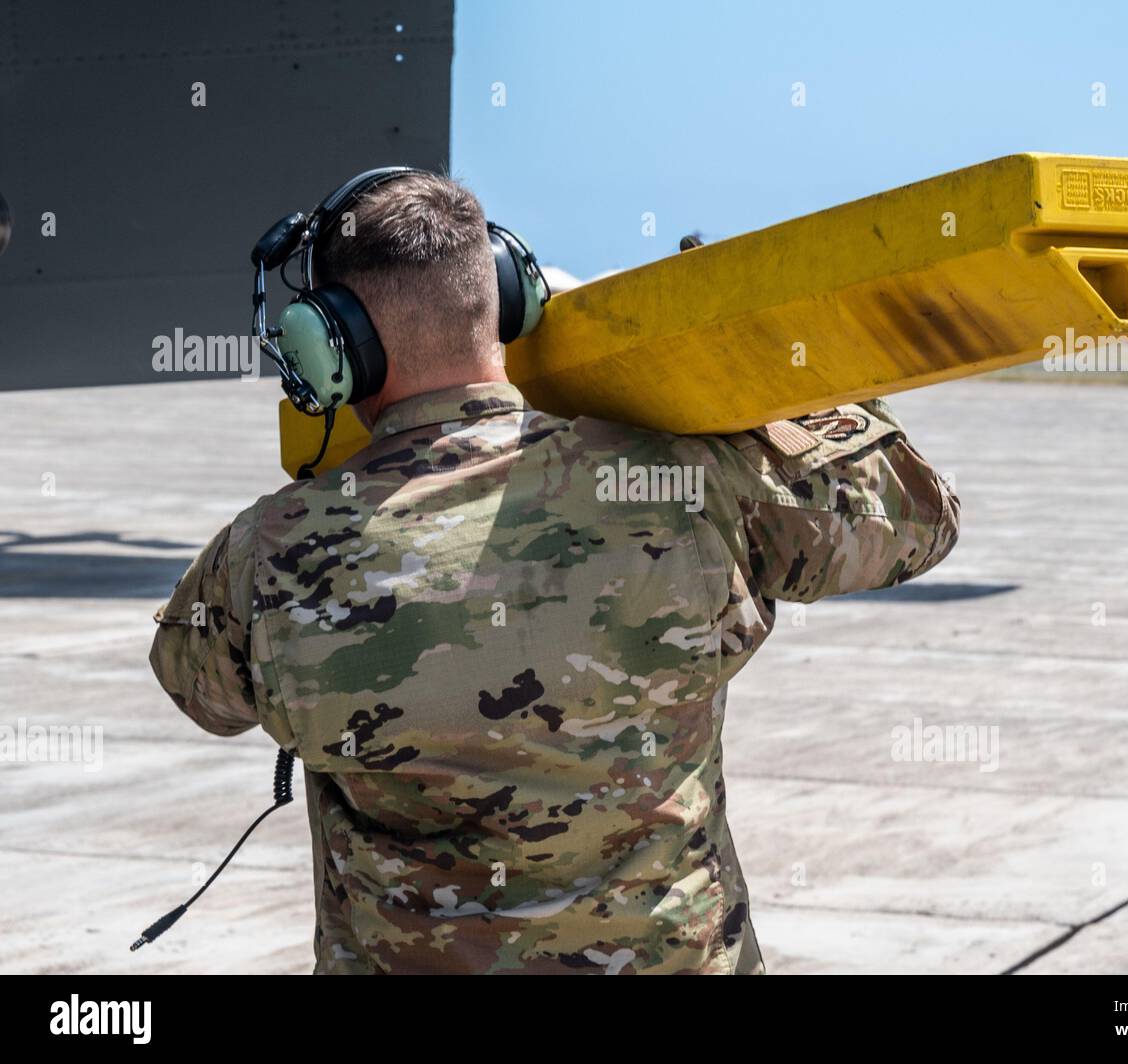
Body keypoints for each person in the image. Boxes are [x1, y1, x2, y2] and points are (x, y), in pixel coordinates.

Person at [150, 171, 961, 974]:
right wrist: (760, 364)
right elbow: (917, 520)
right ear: (508, 296)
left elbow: (202, 695)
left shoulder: (271, 551)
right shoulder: (685, 482)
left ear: (329, 345)